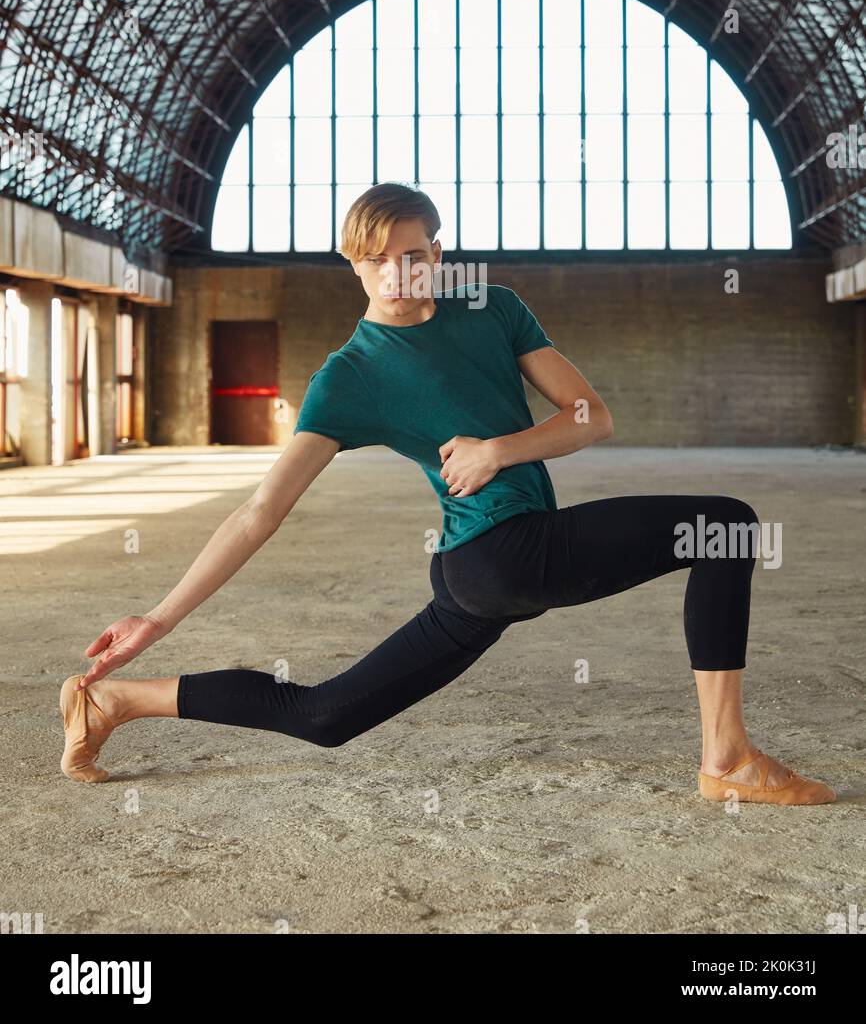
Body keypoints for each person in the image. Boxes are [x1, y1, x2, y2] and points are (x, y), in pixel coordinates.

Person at [60, 182, 835, 805]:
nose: (398, 273)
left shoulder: (492, 308)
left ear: (438, 249)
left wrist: (501, 449)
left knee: (326, 716)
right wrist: (158, 617)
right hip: (500, 558)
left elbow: (590, 416)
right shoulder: (350, 375)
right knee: (726, 527)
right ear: (352, 263)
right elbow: (260, 511)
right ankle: (725, 759)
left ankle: (114, 704)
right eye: (377, 259)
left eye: (413, 253)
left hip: (484, 570)